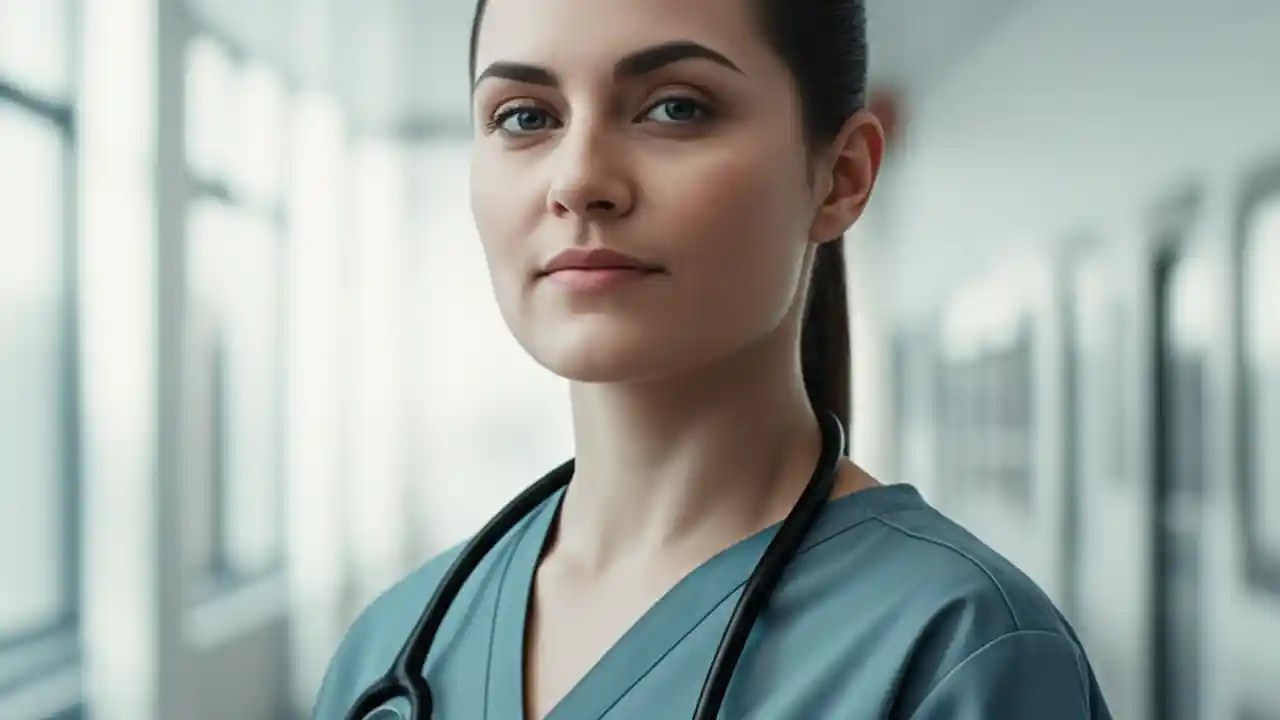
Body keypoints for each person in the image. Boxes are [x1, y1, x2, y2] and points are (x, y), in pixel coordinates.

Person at [314, 0, 1113, 717]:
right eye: (525, 117)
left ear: (840, 177)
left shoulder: (959, 651)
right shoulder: (392, 648)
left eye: (675, 107)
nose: (580, 180)